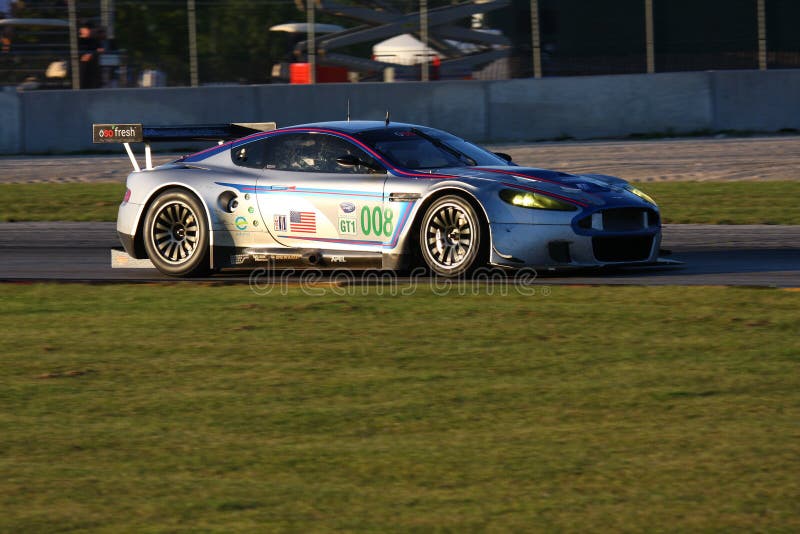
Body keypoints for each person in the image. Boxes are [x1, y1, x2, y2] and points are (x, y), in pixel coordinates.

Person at [78, 20, 101, 88]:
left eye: (87, 29)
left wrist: (92, 55)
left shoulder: (94, 40)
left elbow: (99, 49)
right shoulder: (78, 40)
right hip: (82, 69)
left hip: (92, 69)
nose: (83, 31)